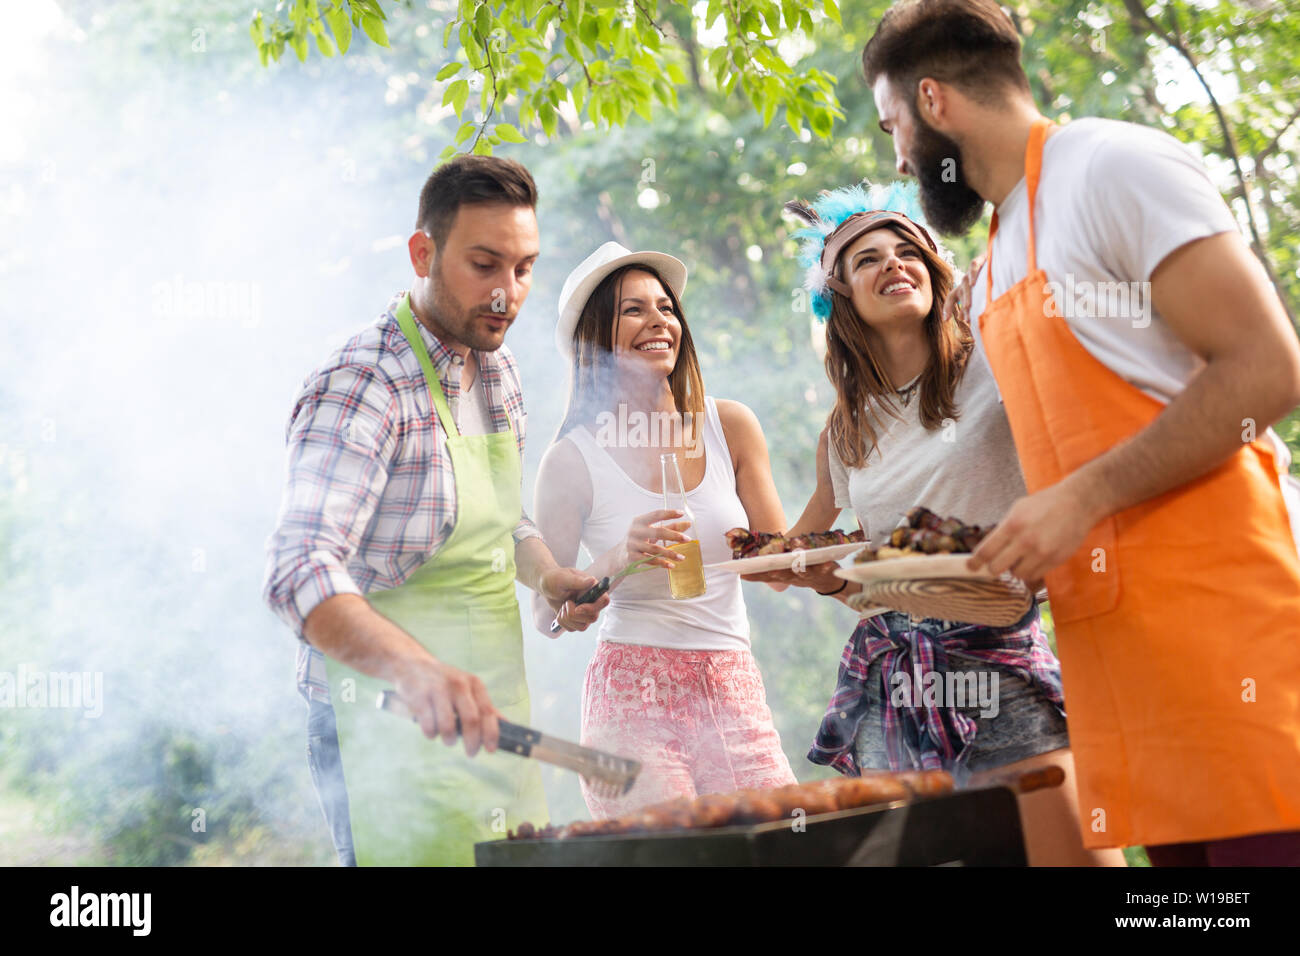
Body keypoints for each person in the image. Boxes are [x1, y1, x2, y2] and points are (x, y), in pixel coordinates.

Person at [863, 0, 1300, 865]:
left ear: (933, 102)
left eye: (893, 129)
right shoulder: (993, 263)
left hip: (1234, 637)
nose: (901, 156)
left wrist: (1086, 497)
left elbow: (1267, 370)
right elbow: (1056, 472)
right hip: (1122, 670)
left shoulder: (1111, 166)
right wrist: (945, 566)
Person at [746, 180, 1120, 865]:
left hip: (999, 659)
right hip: (891, 684)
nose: (893, 264)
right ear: (842, 299)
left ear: (933, 268)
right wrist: (772, 559)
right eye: (868, 260)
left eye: (906, 251)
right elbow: (804, 555)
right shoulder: (845, 430)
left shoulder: (993, 359)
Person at [262, 156, 608, 866]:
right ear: (424, 253)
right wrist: (418, 670)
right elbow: (297, 569)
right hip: (382, 726)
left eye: (524, 267)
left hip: (494, 721)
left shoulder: (499, 369)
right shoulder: (364, 382)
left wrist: (546, 575)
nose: (508, 293)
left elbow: (499, 518)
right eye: (485, 264)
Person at [531, 241, 798, 818]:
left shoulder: (731, 426)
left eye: (667, 308)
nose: (659, 321)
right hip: (631, 697)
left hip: (732, 684)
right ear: (595, 337)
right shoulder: (571, 461)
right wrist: (613, 562)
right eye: (633, 310)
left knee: (783, 844)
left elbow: (776, 567)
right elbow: (546, 616)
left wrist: (828, 506)